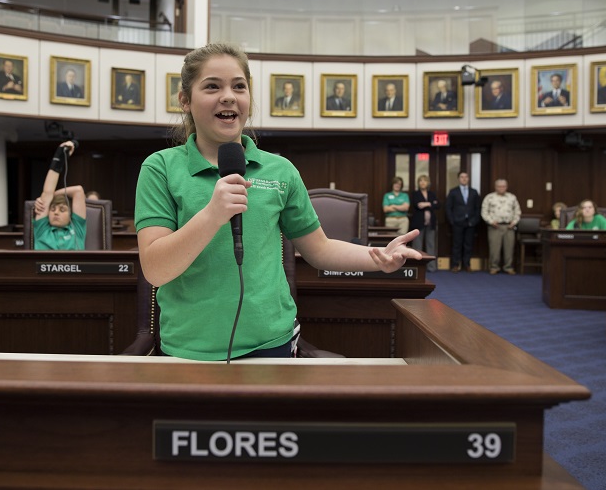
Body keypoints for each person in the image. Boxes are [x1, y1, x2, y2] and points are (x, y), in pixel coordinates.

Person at [134, 43, 421, 362]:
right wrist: (212, 215)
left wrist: (376, 256)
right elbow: (155, 269)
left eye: (239, 86)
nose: (228, 96)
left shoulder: (280, 170)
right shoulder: (159, 168)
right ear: (185, 100)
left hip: (273, 344)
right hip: (189, 351)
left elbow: (320, 249)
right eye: (212, 86)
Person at [32, 141, 87, 250]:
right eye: (52, 209)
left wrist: (50, 196)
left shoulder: (77, 228)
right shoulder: (42, 228)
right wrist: (58, 157)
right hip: (46, 266)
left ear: (71, 215)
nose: (56, 212)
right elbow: (47, 192)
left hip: (73, 267)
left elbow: (78, 191)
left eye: (62, 210)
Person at [481, 179, 521, 275]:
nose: (501, 188)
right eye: (499, 186)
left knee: (509, 248)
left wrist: (514, 222)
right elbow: (484, 212)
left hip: (509, 227)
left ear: (506, 187)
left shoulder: (512, 197)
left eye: (503, 186)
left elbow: (518, 211)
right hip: (495, 226)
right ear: (495, 187)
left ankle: (508, 267)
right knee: (494, 249)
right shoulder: (489, 197)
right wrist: (491, 221)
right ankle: (494, 267)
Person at [445, 171, 480, 272]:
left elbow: (478, 208)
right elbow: (448, 208)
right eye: (462, 177)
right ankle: (455, 265)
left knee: (468, 244)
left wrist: (474, 221)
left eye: (466, 177)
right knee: (457, 244)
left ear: (468, 179)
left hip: (470, 222)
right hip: (457, 222)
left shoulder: (474, 192)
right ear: (458, 179)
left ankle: (467, 264)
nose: (464, 179)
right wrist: (452, 220)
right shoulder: (453, 192)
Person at [409, 174, 438, 272]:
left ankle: (431, 267)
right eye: (420, 181)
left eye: (424, 180)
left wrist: (426, 204)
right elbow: (417, 205)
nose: (422, 182)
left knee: (431, 244)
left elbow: (437, 204)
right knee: (417, 244)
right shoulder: (415, 193)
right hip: (418, 223)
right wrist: (430, 203)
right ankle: (416, 266)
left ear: (428, 183)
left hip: (431, 223)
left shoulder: (432, 194)